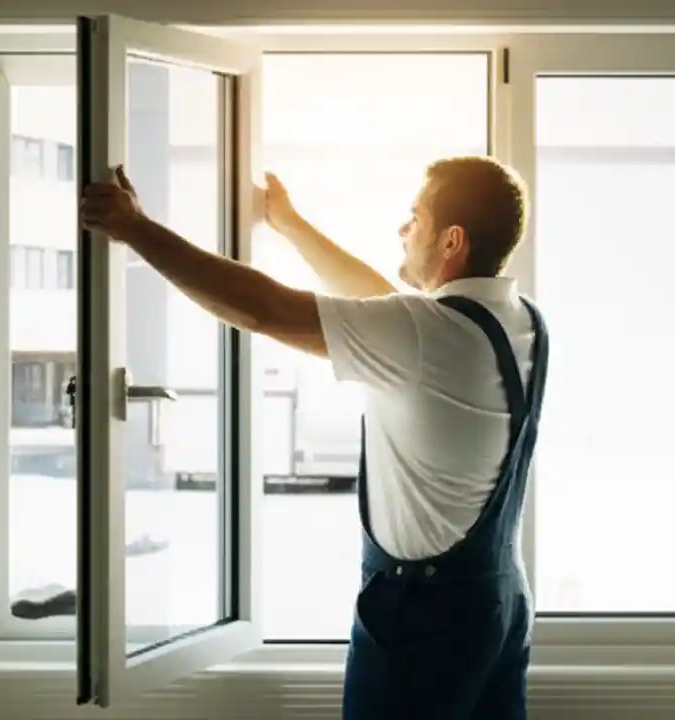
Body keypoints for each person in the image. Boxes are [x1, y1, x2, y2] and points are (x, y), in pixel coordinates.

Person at [80, 156, 549, 720]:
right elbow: (377, 300)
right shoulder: (520, 320)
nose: (402, 228)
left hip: (424, 619)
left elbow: (264, 309)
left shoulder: (424, 333)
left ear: (452, 241)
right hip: (499, 605)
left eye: (415, 217)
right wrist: (292, 224)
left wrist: (136, 229)